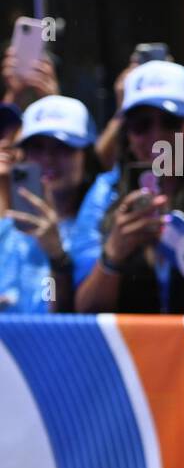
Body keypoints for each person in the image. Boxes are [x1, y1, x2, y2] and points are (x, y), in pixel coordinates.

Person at [71, 61, 184, 315]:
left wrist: (176, 240)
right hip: (124, 349)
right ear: (126, 134)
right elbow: (85, 309)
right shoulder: (105, 192)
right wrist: (113, 254)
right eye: (141, 124)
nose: (157, 137)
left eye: (170, 122)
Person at [0, 97, 98, 313]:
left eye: (63, 147)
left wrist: (56, 256)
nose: (48, 158)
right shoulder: (5, 231)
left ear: (87, 157)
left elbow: (59, 316)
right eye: (36, 147)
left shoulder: (95, 233)